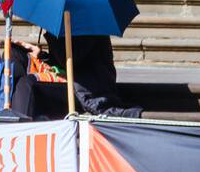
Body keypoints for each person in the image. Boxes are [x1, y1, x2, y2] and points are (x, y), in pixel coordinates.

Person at [9, 32, 141, 120]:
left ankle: (20, 135)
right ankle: (10, 116)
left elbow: (68, 58)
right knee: (14, 52)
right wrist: (41, 55)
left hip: (87, 88)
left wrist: (51, 34)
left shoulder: (88, 23)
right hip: (70, 77)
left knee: (27, 84)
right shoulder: (67, 19)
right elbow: (63, 61)